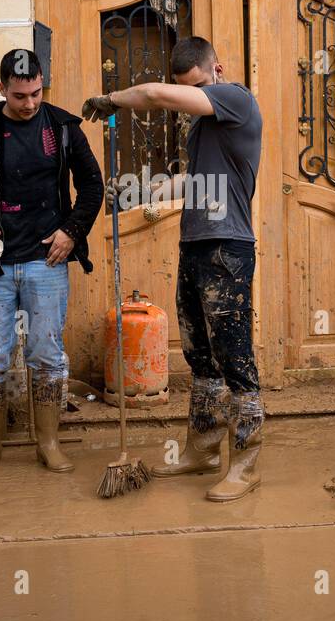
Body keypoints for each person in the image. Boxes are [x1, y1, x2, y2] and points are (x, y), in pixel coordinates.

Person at [81, 36, 263, 501]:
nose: (194, 97)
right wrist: (138, 192)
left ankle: (245, 462)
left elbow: (157, 95)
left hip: (229, 247)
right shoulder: (204, 125)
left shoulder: (235, 99)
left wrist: (110, 99)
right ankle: (202, 449)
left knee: (235, 358)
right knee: (200, 356)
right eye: (190, 91)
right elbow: (195, 179)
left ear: (216, 69)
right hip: (196, 244)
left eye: (198, 86)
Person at [0, 49, 103, 473]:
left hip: (46, 262)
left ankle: (48, 442)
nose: (29, 103)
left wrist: (72, 232)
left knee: (47, 355)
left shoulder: (64, 128)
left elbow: (92, 186)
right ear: (1, 89)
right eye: (19, 96)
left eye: (35, 93)